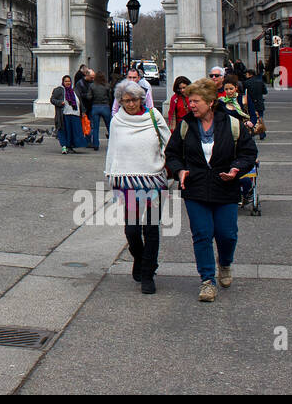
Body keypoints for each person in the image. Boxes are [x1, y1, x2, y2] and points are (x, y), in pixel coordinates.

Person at [164, 78, 258, 302]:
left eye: (196, 101)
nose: (191, 105)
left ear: (210, 101)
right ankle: (207, 280)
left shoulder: (231, 123)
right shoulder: (185, 125)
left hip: (225, 186)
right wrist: (180, 171)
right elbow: (173, 153)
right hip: (195, 188)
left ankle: (225, 263)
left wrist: (236, 169)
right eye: (189, 101)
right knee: (202, 235)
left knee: (227, 234)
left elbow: (248, 152)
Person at [104, 79, 172, 294]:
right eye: (125, 101)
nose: (130, 104)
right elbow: (112, 151)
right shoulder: (117, 121)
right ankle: (140, 258)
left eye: (133, 100)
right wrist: (111, 175)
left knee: (151, 228)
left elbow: (168, 143)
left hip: (153, 180)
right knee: (132, 230)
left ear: (141, 99)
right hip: (128, 182)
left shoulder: (153, 117)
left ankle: (148, 274)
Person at [50, 75, 86, 154]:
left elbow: (80, 101)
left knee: (74, 132)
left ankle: (71, 146)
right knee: (65, 131)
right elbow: (52, 99)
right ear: (63, 82)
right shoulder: (59, 90)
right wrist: (60, 103)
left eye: (69, 81)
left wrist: (83, 111)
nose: (68, 83)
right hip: (64, 115)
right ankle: (65, 146)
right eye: (66, 81)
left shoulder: (74, 90)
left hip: (75, 114)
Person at [88, 69, 112, 151]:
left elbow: (89, 97)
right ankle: (112, 143)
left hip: (95, 106)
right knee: (109, 126)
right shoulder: (107, 85)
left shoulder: (92, 86)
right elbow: (110, 97)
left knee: (95, 127)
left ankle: (96, 144)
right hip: (105, 106)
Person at [244, 68, 268, 139]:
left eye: (247, 74)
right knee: (260, 118)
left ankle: (252, 133)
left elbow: (244, 93)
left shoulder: (246, 82)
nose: (246, 75)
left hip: (250, 103)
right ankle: (262, 134)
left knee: (251, 118)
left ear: (250, 74)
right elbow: (265, 92)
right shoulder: (260, 81)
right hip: (259, 102)